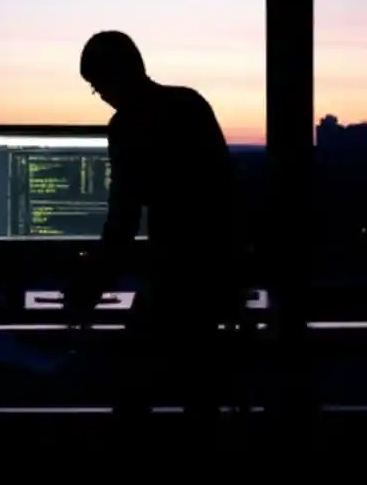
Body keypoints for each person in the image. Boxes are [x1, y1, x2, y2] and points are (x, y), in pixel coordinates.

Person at [67, 30, 245, 422]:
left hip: (177, 281)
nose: (102, 96)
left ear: (113, 78)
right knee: (201, 400)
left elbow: (123, 221)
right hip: (217, 272)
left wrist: (89, 288)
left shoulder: (127, 126)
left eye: (97, 87)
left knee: (132, 392)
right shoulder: (190, 103)